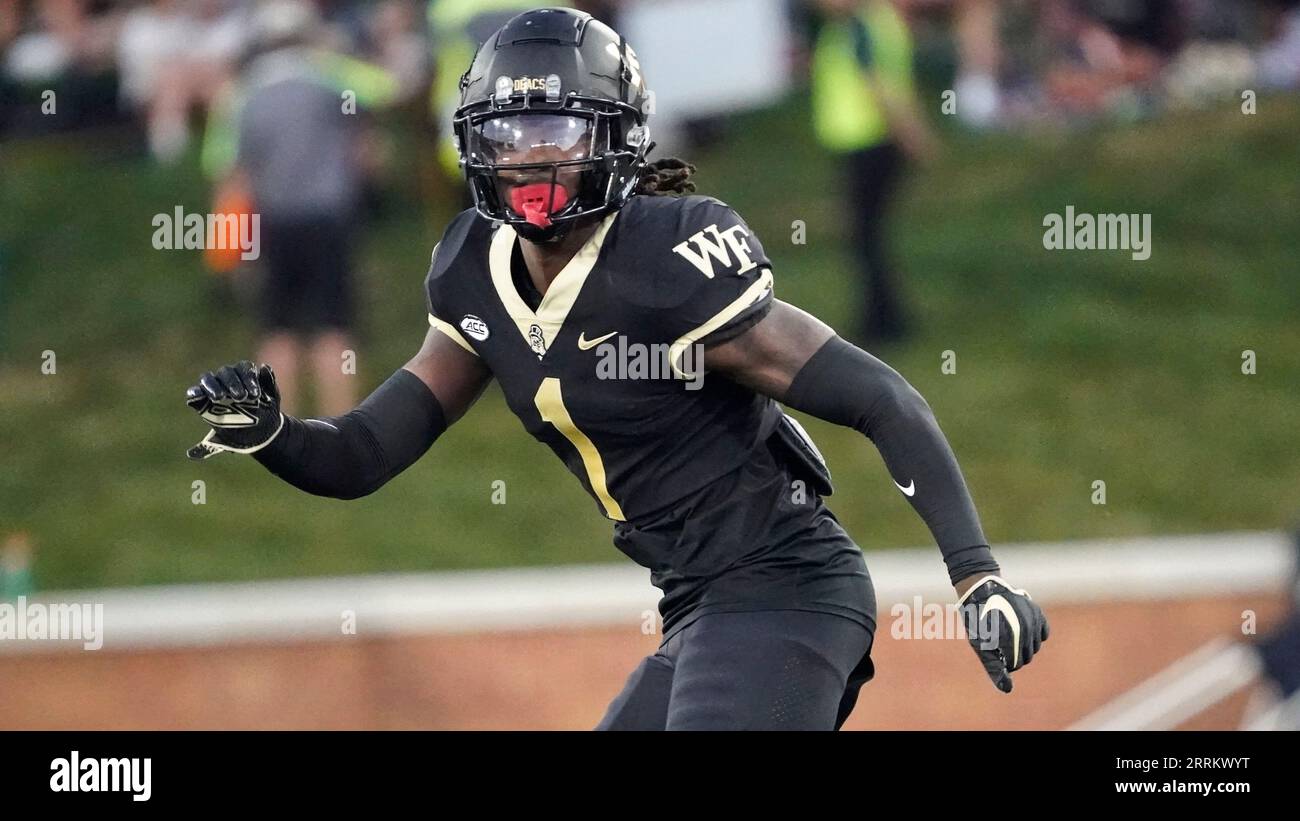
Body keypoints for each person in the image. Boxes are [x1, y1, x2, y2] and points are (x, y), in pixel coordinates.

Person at [185, 7, 1048, 730]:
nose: (528, 155)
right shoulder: (471, 267)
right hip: (697, 605)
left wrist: (975, 574)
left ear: (613, 136)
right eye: (507, 131)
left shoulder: (666, 258)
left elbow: (879, 395)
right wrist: (273, 433)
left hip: (785, 588)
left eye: (552, 128)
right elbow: (364, 452)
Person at [810, 0, 937, 345]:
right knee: (869, 237)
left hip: (870, 144)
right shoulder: (872, 21)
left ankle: (883, 322)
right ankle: (885, 317)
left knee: (866, 237)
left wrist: (910, 134)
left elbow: (879, 84)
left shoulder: (860, 26)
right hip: (870, 142)